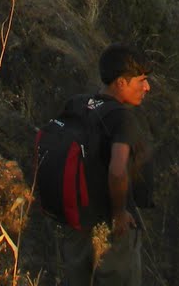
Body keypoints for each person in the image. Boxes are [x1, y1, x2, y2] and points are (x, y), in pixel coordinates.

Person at [59, 43, 154, 286]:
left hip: (76, 221)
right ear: (121, 82)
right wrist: (119, 213)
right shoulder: (123, 118)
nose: (147, 87)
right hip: (110, 229)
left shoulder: (78, 104)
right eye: (141, 80)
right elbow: (117, 170)